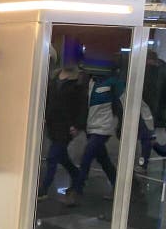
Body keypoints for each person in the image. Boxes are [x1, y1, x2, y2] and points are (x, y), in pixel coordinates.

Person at [70, 69, 125, 204]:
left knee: (87, 156)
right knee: (103, 159)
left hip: (103, 128)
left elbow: (121, 105)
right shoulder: (89, 81)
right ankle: (119, 187)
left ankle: (77, 190)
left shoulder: (114, 82)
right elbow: (83, 105)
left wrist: (120, 126)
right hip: (91, 127)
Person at [37, 60, 87, 199]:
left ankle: (44, 188)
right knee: (61, 156)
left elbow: (82, 105)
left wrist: (77, 125)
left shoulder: (78, 81)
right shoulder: (54, 77)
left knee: (53, 156)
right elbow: (47, 99)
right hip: (52, 123)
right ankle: (76, 175)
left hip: (67, 125)